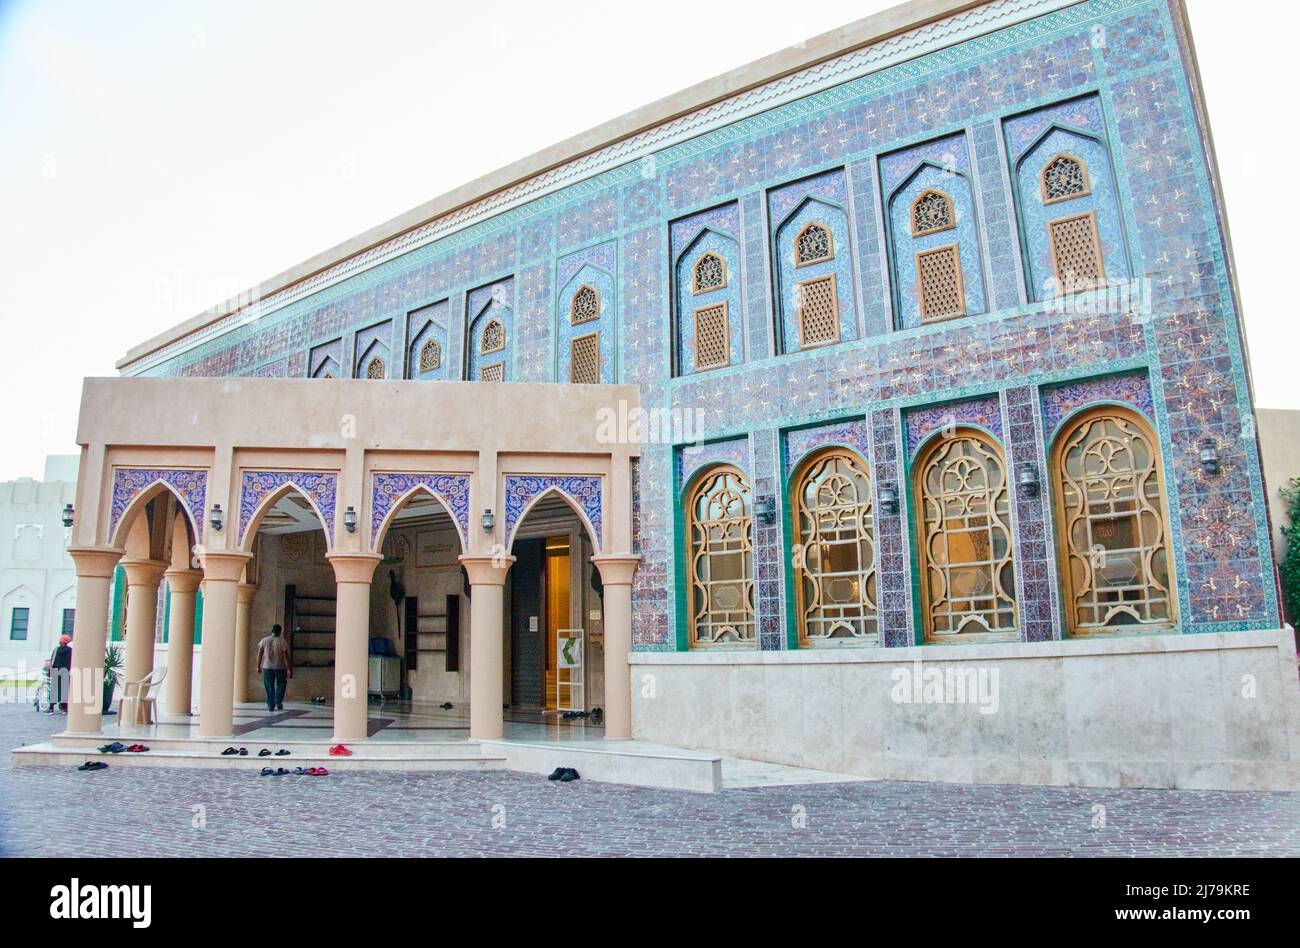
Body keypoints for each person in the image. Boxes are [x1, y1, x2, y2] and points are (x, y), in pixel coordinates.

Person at [255, 624, 291, 712]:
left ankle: (271, 705)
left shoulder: (264, 640)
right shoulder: (282, 641)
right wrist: (288, 669)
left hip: (267, 667)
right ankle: (278, 701)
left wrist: (258, 666)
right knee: (281, 684)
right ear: (280, 631)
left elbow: (259, 654)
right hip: (280, 667)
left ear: (272, 631)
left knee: (269, 686)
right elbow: (285, 657)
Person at [50, 634, 73, 713]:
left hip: (56, 671)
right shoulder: (70, 650)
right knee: (65, 690)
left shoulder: (56, 649)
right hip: (66, 671)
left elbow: (52, 660)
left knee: (54, 689)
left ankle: (51, 707)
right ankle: (64, 708)